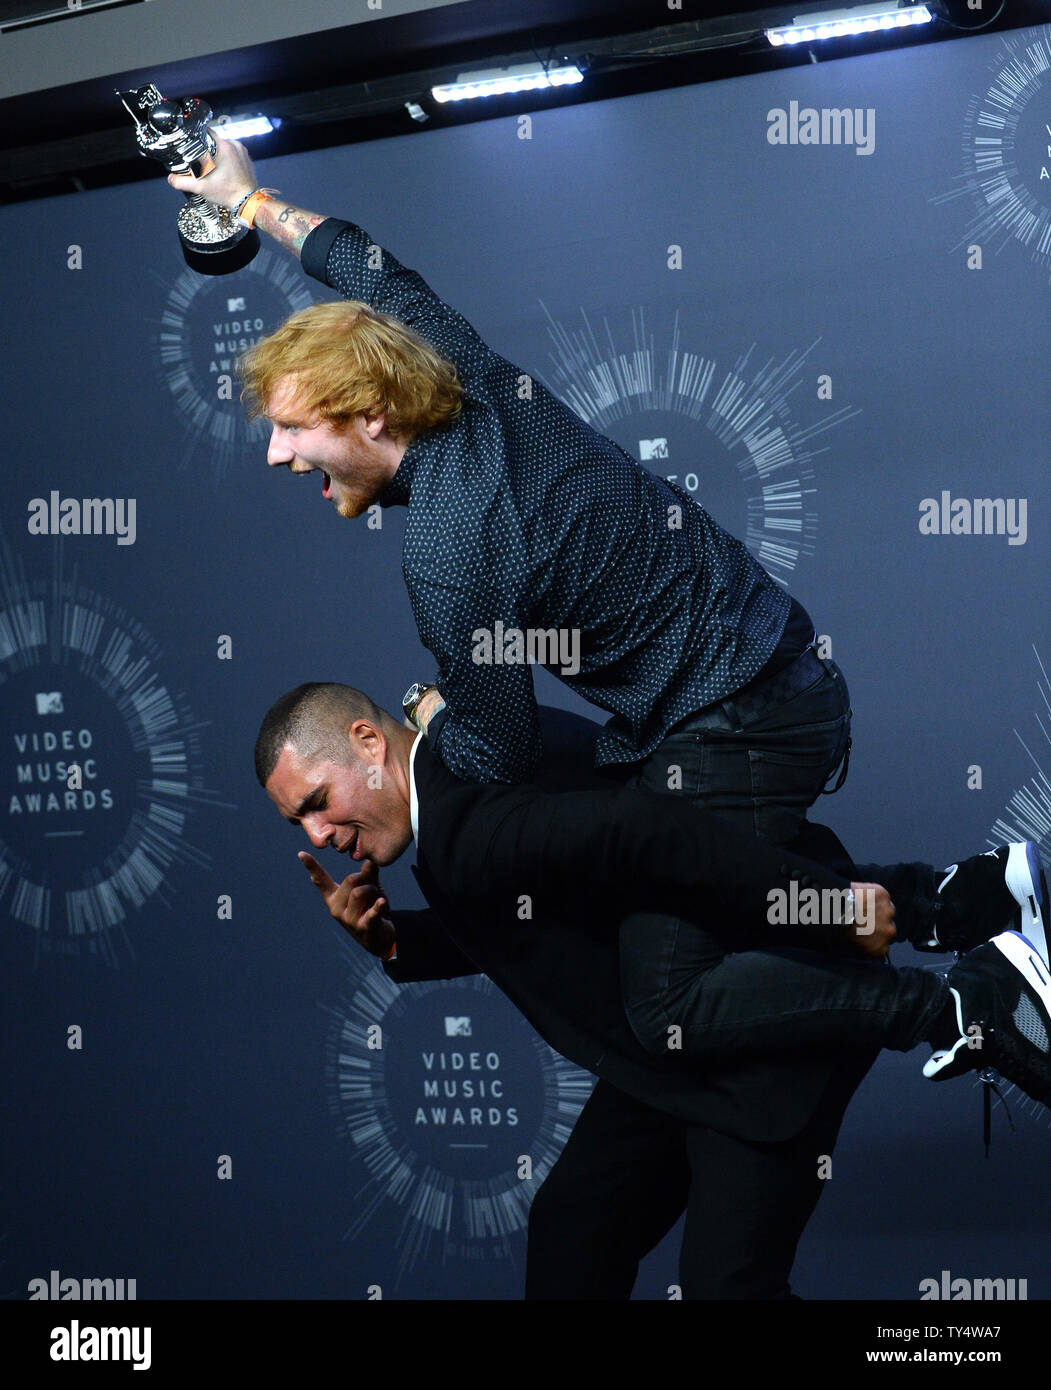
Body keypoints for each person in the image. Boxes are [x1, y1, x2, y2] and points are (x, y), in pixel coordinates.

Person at [254, 681, 1051, 1299]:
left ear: (366, 742)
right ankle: (967, 896)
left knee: (727, 1291)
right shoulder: (456, 783)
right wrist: (394, 939)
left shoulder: (471, 795)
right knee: (572, 1234)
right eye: (300, 825)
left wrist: (839, 911)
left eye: (318, 804)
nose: (319, 836)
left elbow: (657, 833)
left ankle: (969, 996)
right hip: (664, 1057)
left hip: (762, 1024)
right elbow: (538, 915)